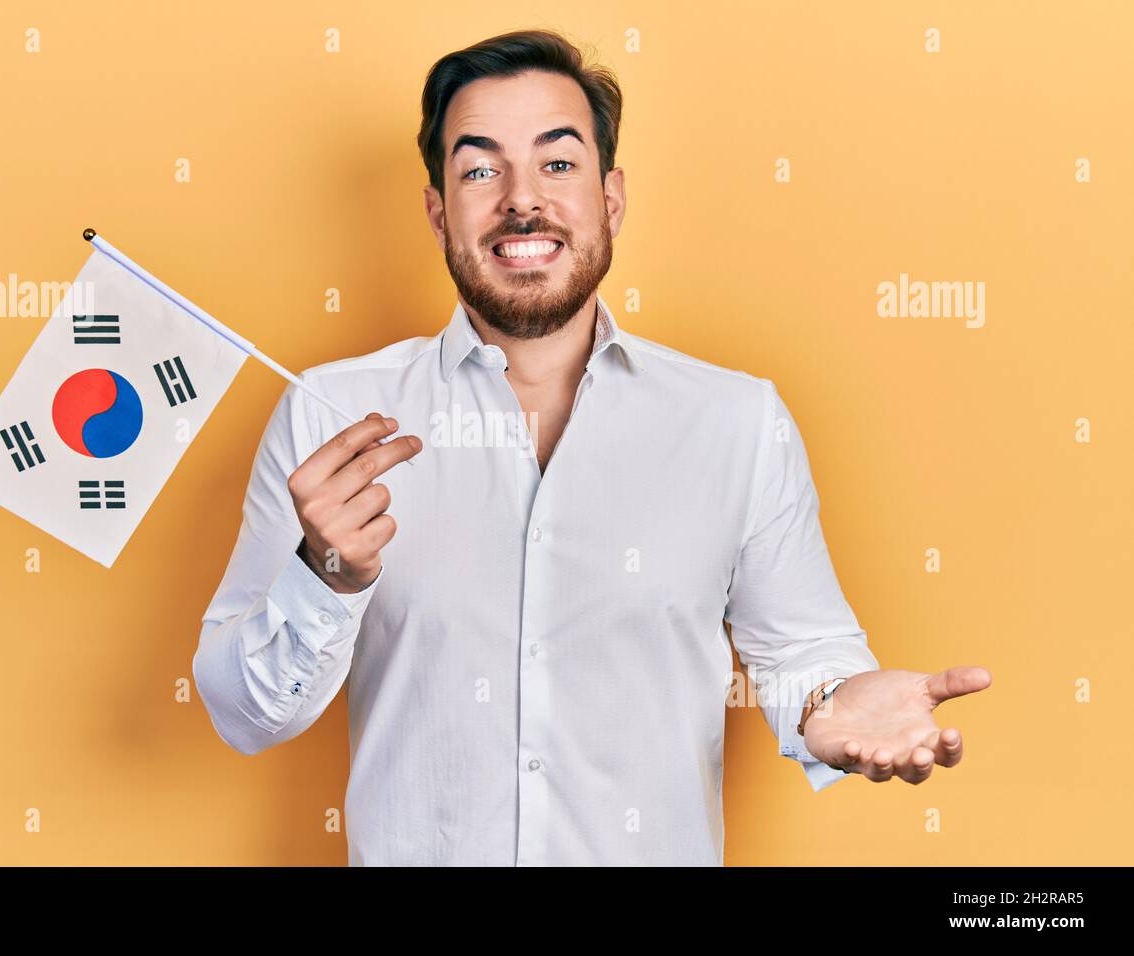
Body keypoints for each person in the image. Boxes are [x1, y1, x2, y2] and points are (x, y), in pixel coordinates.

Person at [192, 28, 992, 866]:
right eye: (479, 168)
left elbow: (801, 651)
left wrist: (834, 701)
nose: (521, 200)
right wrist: (324, 575)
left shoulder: (736, 421)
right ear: (438, 213)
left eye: (558, 163)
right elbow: (244, 717)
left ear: (611, 199)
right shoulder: (334, 416)